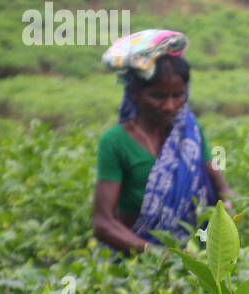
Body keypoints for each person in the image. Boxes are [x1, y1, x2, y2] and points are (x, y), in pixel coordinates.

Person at [93, 29, 231, 253]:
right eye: (158, 96)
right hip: (134, 260)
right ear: (135, 93)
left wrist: (230, 208)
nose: (169, 105)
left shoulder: (191, 134)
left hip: (195, 255)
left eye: (178, 95)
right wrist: (157, 254)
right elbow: (103, 223)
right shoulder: (115, 142)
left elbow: (222, 187)